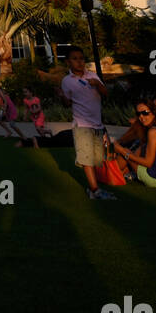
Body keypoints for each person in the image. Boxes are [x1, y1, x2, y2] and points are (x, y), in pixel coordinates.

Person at [58, 47, 115, 201]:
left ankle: (94, 187)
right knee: (87, 159)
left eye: (81, 58)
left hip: (97, 124)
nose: (79, 61)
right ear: (68, 62)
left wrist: (97, 83)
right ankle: (95, 190)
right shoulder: (67, 81)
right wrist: (62, 96)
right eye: (75, 59)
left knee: (96, 159)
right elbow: (67, 103)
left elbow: (105, 93)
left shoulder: (92, 75)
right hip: (81, 124)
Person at [112, 98, 156, 188]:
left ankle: (111, 173)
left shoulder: (153, 131)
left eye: (145, 112)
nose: (141, 117)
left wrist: (123, 151)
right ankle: (120, 172)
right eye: (138, 114)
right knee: (132, 153)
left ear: (154, 113)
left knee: (125, 154)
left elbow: (148, 163)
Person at [0, 78, 27, 143]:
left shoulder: (0, 91)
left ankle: (23, 136)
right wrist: (2, 109)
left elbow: (5, 101)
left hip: (10, 109)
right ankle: (9, 132)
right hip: (5, 109)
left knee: (12, 125)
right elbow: (1, 102)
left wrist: (4, 111)